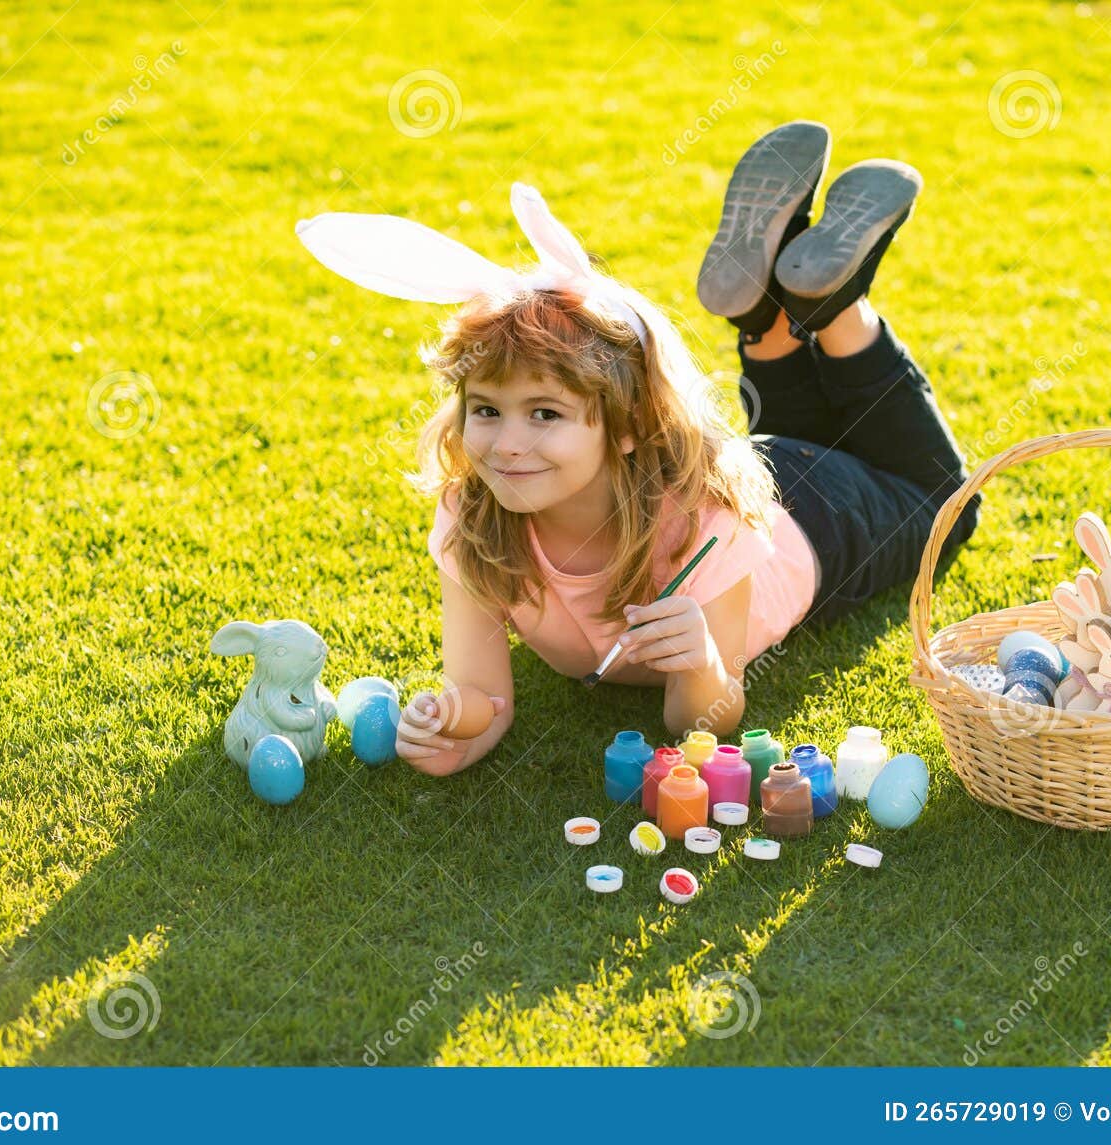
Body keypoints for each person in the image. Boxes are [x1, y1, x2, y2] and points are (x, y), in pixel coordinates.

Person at [295, 121, 980, 777]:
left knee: (946, 502)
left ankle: (836, 307)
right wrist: (448, 722)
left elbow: (706, 719)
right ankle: (776, 304)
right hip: (759, 462)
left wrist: (699, 660)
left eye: (544, 413)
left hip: (825, 517)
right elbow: (484, 696)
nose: (506, 444)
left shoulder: (700, 523)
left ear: (626, 423)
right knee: (807, 425)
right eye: (485, 410)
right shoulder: (472, 514)